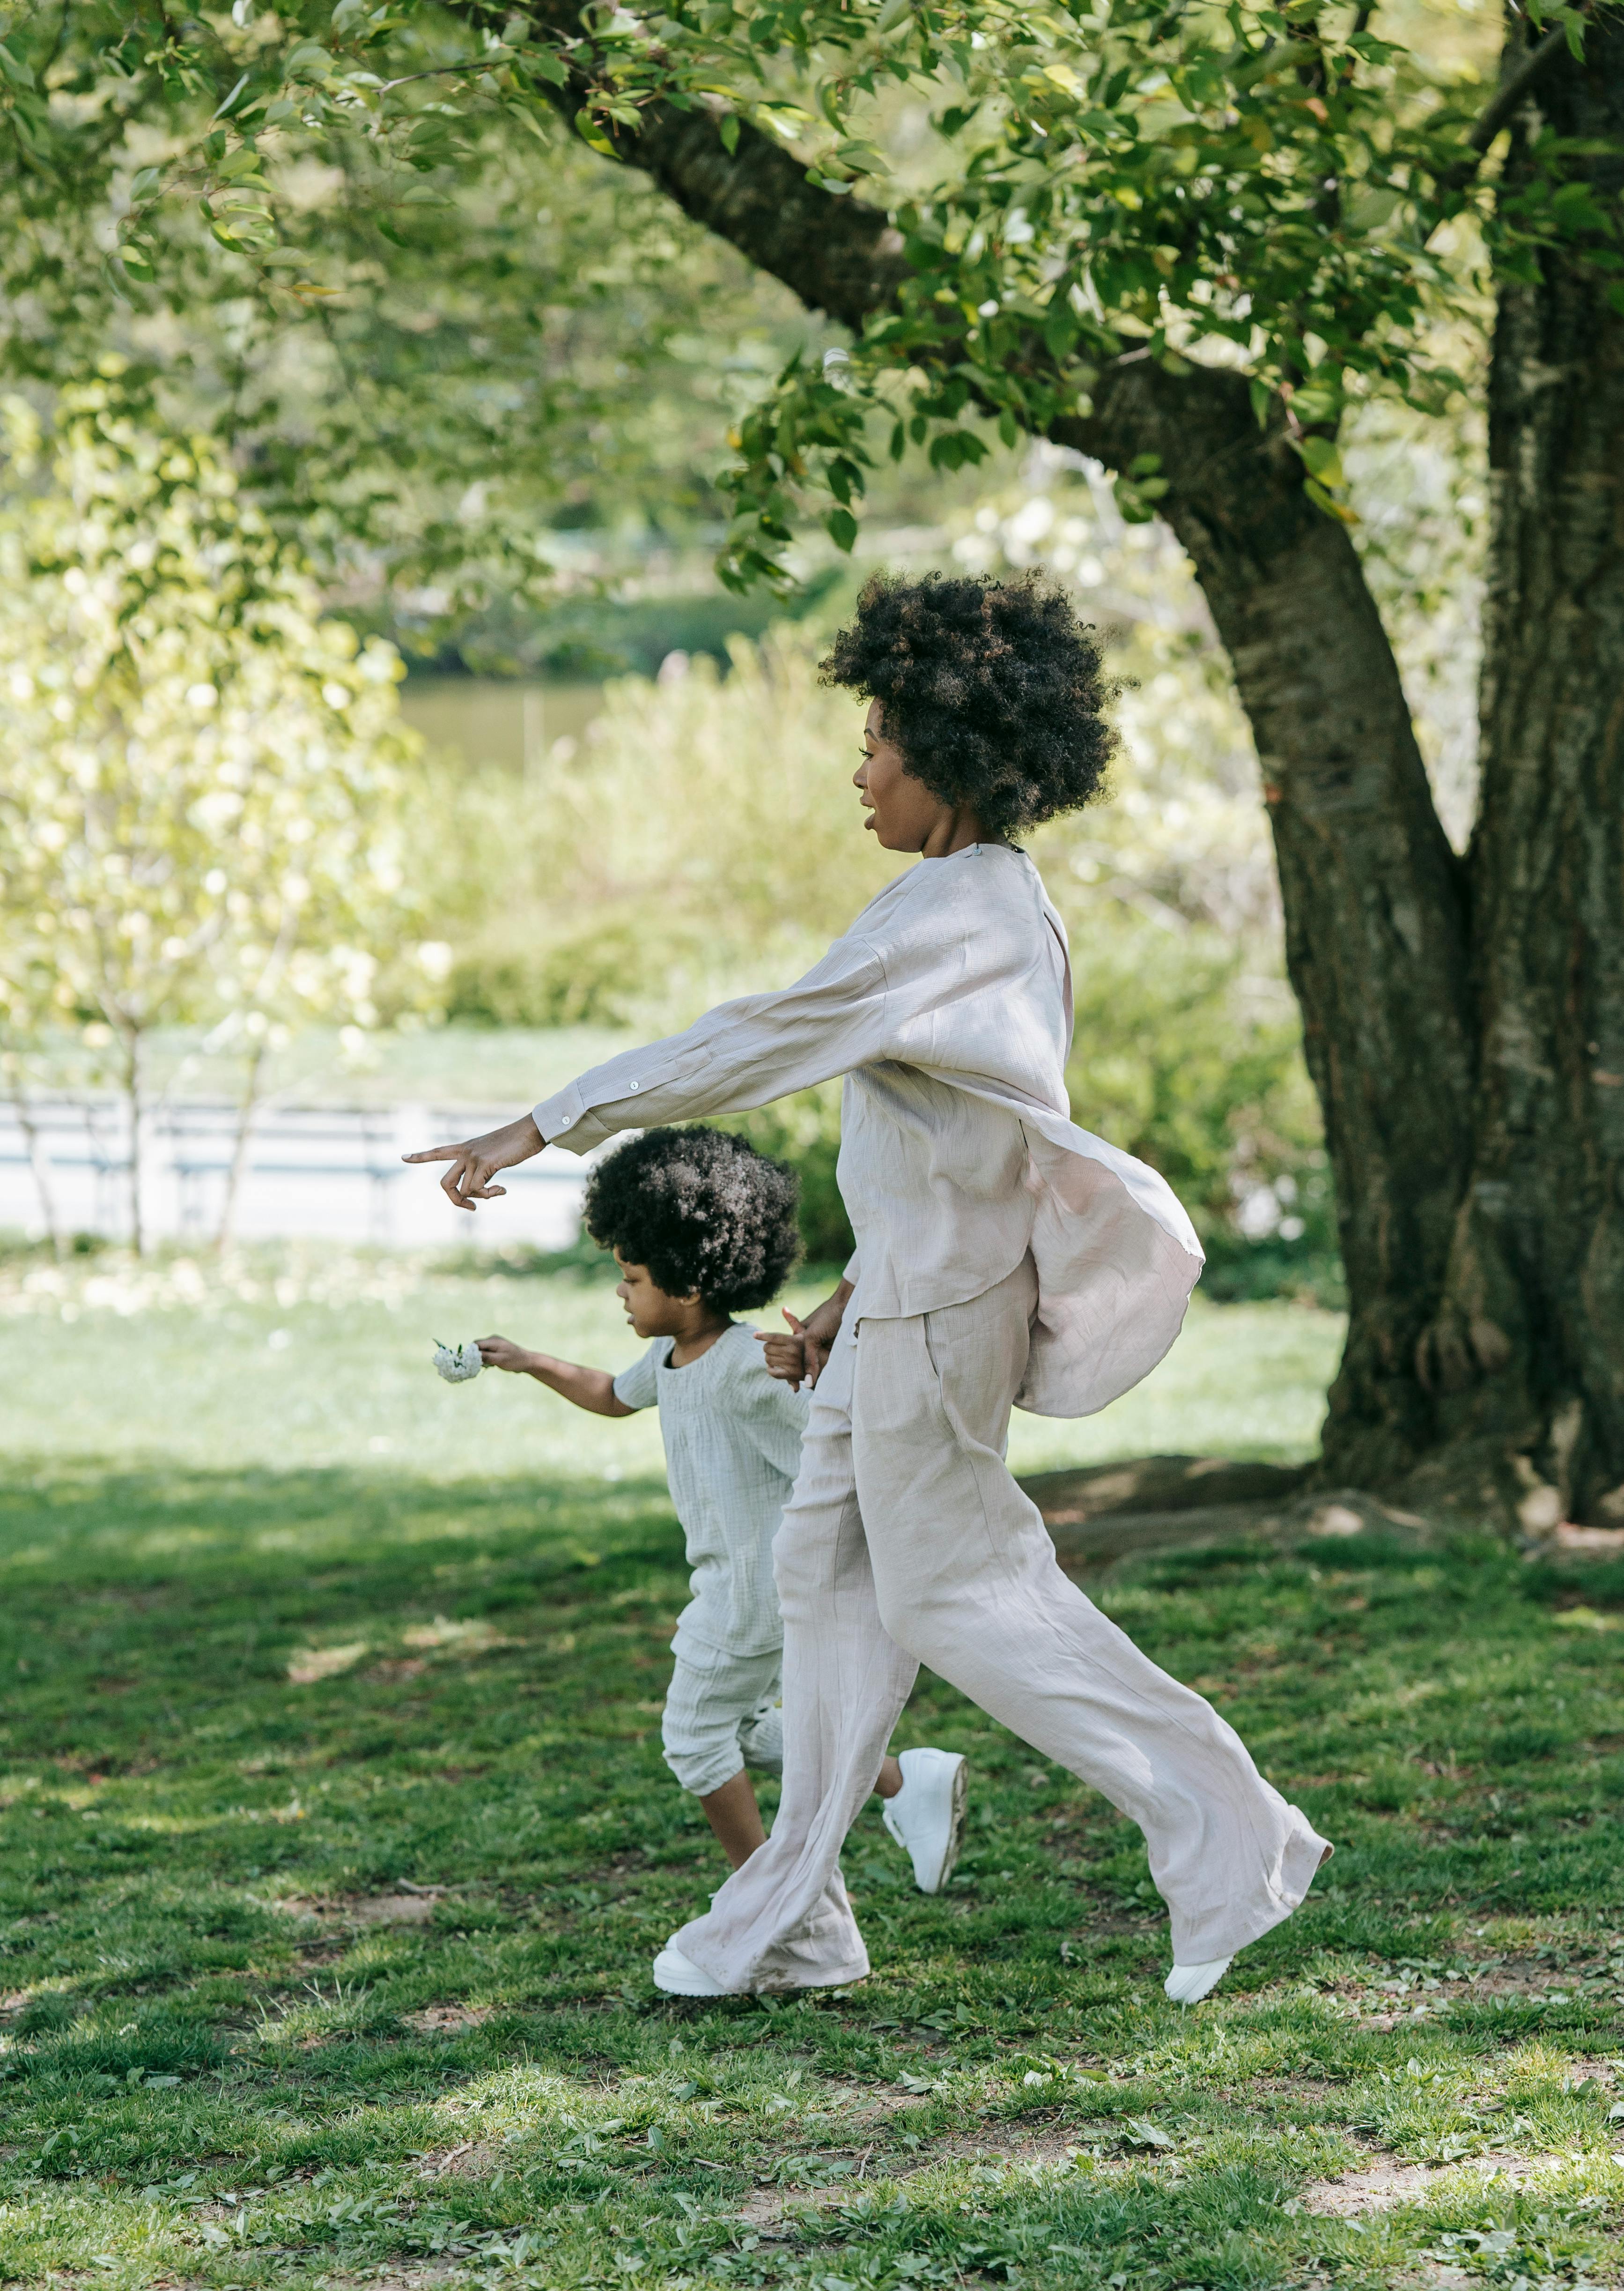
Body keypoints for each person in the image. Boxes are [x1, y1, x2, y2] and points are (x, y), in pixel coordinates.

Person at [407, 571, 1330, 2007]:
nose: (861, 769)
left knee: (968, 1602)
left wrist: (547, 1122)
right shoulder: (988, 903)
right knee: (823, 1599)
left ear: (945, 760)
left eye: (879, 744)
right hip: (903, 1313)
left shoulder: (948, 912)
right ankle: (792, 1919)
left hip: (934, 1329)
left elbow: (761, 1035)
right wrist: (847, 1297)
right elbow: (964, 1150)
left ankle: (1231, 1843)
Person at [472, 1123, 967, 1897]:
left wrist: (807, 1371)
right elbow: (611, 1395)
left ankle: (772, 1895)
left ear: (689, 1284)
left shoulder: (745, 1366)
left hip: (753, 1592)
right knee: (740, 1730)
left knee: (696, 1739)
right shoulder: (673, 1357)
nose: (620, 1291)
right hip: (728, 1585)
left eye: (632, 1278)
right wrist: (531, 1359)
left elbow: (831, 1449)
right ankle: (907, 1783)